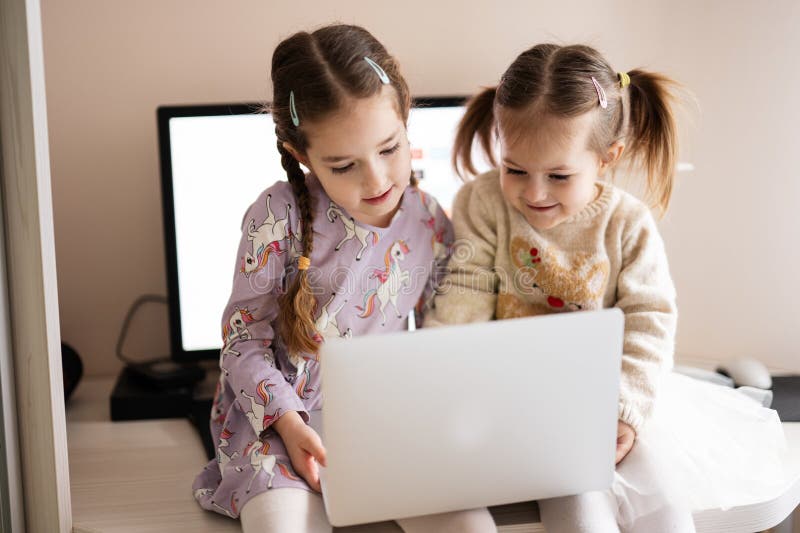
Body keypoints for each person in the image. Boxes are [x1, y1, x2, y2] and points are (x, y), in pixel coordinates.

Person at [428, 43, 786, 532]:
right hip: (511, 394)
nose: (534, 193)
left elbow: (650, 317)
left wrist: (623, 409)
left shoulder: (627, 224)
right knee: (553, 504)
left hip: (605, 394)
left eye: (558, 176)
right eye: (515, 170)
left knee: (645, 507)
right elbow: (463, 292)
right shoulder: (482, 201)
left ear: (606, 158)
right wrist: (440, 375)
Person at [192, 24, 497, 533]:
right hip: (277, 423)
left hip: (383, 415)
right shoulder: (278, 215)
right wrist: (289, 424)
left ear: (405, 117)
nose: (377, 180)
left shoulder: (429, 220)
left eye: (389, 148)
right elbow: (243, 344)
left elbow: (444, 339)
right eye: (344, 165)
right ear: (300, 154)